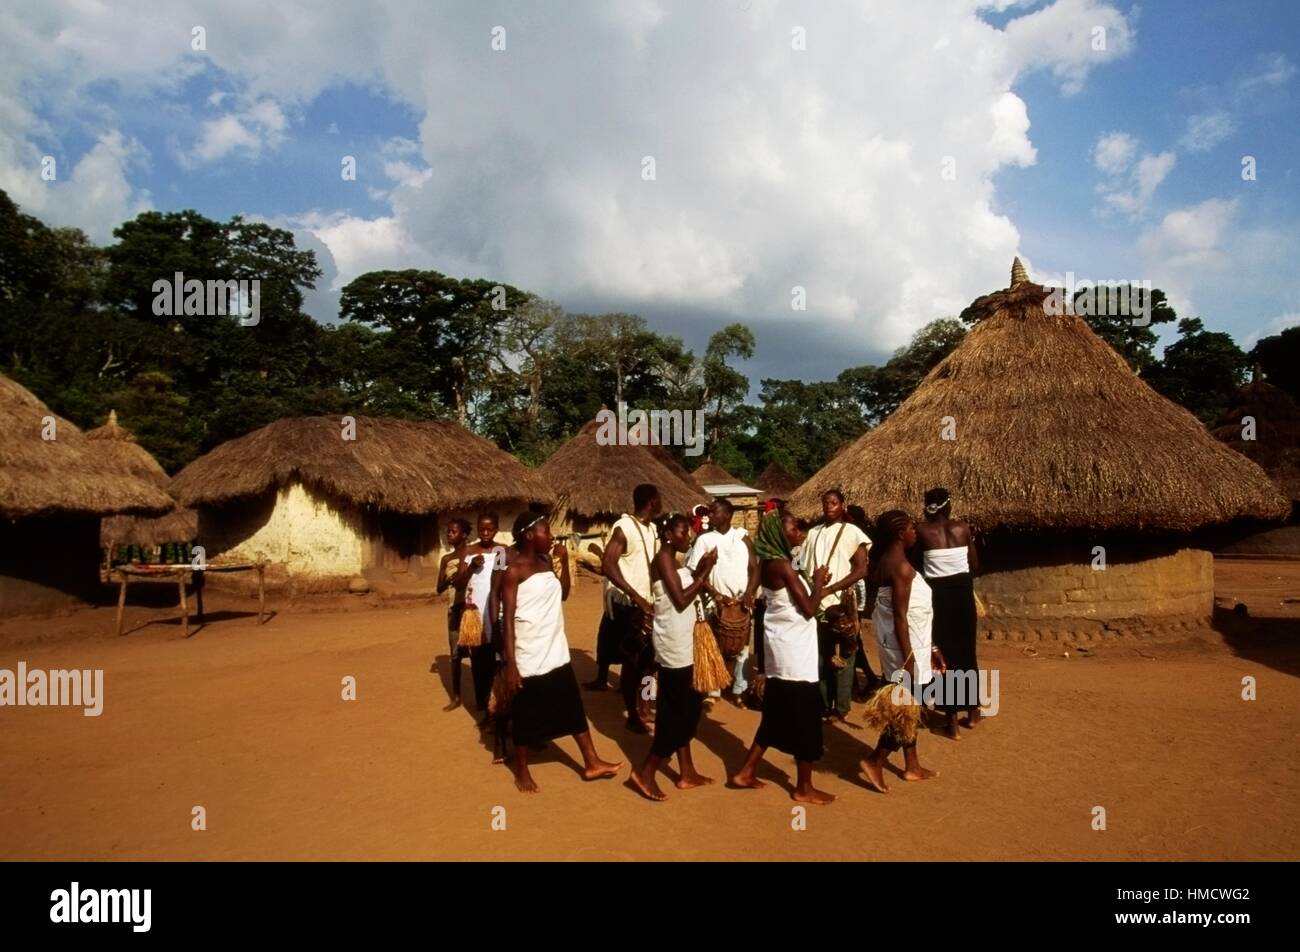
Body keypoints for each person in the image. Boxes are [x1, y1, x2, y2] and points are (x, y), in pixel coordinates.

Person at [500, 512, 622, 793]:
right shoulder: (514, 571)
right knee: (525, 713)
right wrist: (510, 666)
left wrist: (565, 562)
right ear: (529, 535)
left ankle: (591, 762)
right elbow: (506, 621)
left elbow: (564, 593)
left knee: (572, 707)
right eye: (546, 530)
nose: (552, 535)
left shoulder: (545, 562)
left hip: (554, 648)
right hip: (528, 652)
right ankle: (521, 770)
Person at [730, 512, 836, 805]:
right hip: (796, 658)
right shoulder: (784, 566)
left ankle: (746, 771)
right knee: (807, 719)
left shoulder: (769, 562)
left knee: (774, 717)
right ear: (779, 531)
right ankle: (803, 787)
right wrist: (816, 582)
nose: (798, 531)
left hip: (781, 652)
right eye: (793, 527)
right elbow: (809, 608)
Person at [629, 513, 719, 801]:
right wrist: (705, 573)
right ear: (668, 534)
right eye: (682, 532)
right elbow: (681, 599)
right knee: (679, 711)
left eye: (688, 532)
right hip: (674, 646)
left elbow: (682, 590)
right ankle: (646, 770)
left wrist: (702, 568)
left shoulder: (675, 560)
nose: (688, 537)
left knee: (688, 705)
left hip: (684, 642)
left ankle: (686, 771)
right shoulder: (663, 559)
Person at [860, 510, 942, 793]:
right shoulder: (902, 567)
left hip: (899, 643)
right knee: (906, 705)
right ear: (899, 534)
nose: (915, 533)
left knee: (907, 705)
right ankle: (875, 760)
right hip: (904, 646)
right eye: (911, 529)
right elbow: (900, 616)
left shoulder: (885, 561)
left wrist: (931, 646)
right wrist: (909, 660)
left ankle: (912, 765)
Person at [801, 489, 872, 727]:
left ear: (843, 505)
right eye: (825, 503)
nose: (828, 506)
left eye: (833, 502)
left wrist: (831, 589)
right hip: (816, 604)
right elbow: (802, 566)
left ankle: (841, 707)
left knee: (843, 656)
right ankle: (822, 703)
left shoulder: (853, 533)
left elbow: (861, 569)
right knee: (820, 657)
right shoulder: (813, 533)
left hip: (839, 605)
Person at [916, 488, 981, 739]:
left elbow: (917, 565)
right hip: (963, 596)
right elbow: (974, 565)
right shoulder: (963, 528)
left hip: (938, 599)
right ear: (948, 506)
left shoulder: (921, 531)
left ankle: (951, 722)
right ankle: (973, 712)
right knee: (966, 651)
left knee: (943, 657)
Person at [600, 483, 663, 733]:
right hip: (630, 607)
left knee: (650, 663)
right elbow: (608, 564)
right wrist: (635, 596)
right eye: (659, 500)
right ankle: (632, 713)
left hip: (650, 605)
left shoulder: (653, 530)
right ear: (651, 502)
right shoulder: (623, 527)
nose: (661, 503)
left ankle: (645, 706)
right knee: (632, 662)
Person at [687, 498, 759, 708]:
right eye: (710, 512)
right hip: (715, 602)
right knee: (714, 645)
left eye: (715, 512)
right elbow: (696, 573)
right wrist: (716, 595)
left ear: (727, 515)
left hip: (740, 601)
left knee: (742, 648)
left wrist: (749, 593)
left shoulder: (742, 538)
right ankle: (713, 690)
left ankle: (739, 689)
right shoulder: (704, 540)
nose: (711, 515)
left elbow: (755, 569)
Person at [460, 513, 509, 726]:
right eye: (482, 529)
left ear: (497, 529)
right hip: (476, 615)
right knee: (479, 663)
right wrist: (471, 567)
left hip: (496, 612)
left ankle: (498, 705)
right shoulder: (470, 551)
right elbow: (459, 583)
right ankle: (483, 705)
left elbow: (507, 579)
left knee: (498, 661)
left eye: (490, 529)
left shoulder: (501, 552)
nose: (486, 533)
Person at [436, 518, 471, 710]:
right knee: (456, 655)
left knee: (477, 655)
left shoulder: (473, 555)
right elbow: (438, 588)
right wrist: (449, 579)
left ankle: (483, 700)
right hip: (454, 610)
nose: (449, 534)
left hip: (472, 611)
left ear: (464, 534)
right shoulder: (446, 559)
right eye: (448, 531)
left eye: (453, 531)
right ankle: (457, 697)